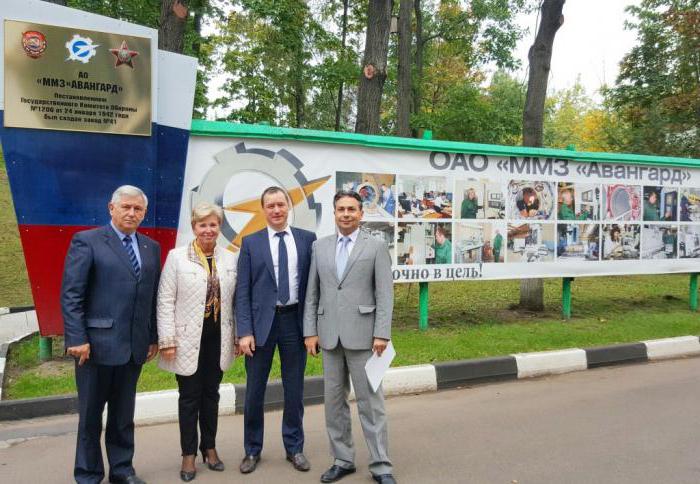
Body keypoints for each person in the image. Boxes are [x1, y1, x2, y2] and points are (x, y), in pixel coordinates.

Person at [61, 185, 161, 484]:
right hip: (95, 347)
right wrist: (77, 338)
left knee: (122, 416)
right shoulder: (87, 241)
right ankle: (89, 474)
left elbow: (151, 296)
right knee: (91, 417)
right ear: (111, 208)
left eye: (138, 209)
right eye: (126, 207)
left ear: (144, 213)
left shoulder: (150, 247)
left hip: (133, 348)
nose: (132, 213)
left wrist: (152, 336)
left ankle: (122, 470)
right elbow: (71, 295)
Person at [304, 190, 396, 484]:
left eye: (352, 209)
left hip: (366, 338)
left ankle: (381, 465)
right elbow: (312, 294)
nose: (346, 214)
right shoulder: (320, 247)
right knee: (333, 403)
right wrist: (310, 332)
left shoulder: (376, 247)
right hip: (329, 337)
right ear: (334, 213)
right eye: (341, 209)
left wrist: (382, 333)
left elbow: (385, 293)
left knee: (371, 403)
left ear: (361, 213)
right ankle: (343, 459)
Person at [235, 186, 317, 474]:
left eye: (281, 204)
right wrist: (244, 331)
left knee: (294, 389)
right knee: (254, 392)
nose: (276, 210)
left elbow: (313, 289)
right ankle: (252, 450)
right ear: (263, 209)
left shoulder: (307, 240)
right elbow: (242, 291)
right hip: (260, 328)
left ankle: (294, 448)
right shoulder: (251, 243)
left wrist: (312, 329)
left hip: (294, 323)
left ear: (289, 205)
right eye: (270, 206)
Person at [156, 202, 239, 482]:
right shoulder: (177, 257)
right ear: (194, 227)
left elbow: (236, 302)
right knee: (190, 398)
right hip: (187, 340)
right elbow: (165, 299)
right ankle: (188, 454)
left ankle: (210, 448)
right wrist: (167, 339)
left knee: (211, 396)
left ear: (219, 228)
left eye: (213, 225)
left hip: (219, 339)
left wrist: (238, 337)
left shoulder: (230, 258)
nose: (208, 229)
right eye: (202, 225)